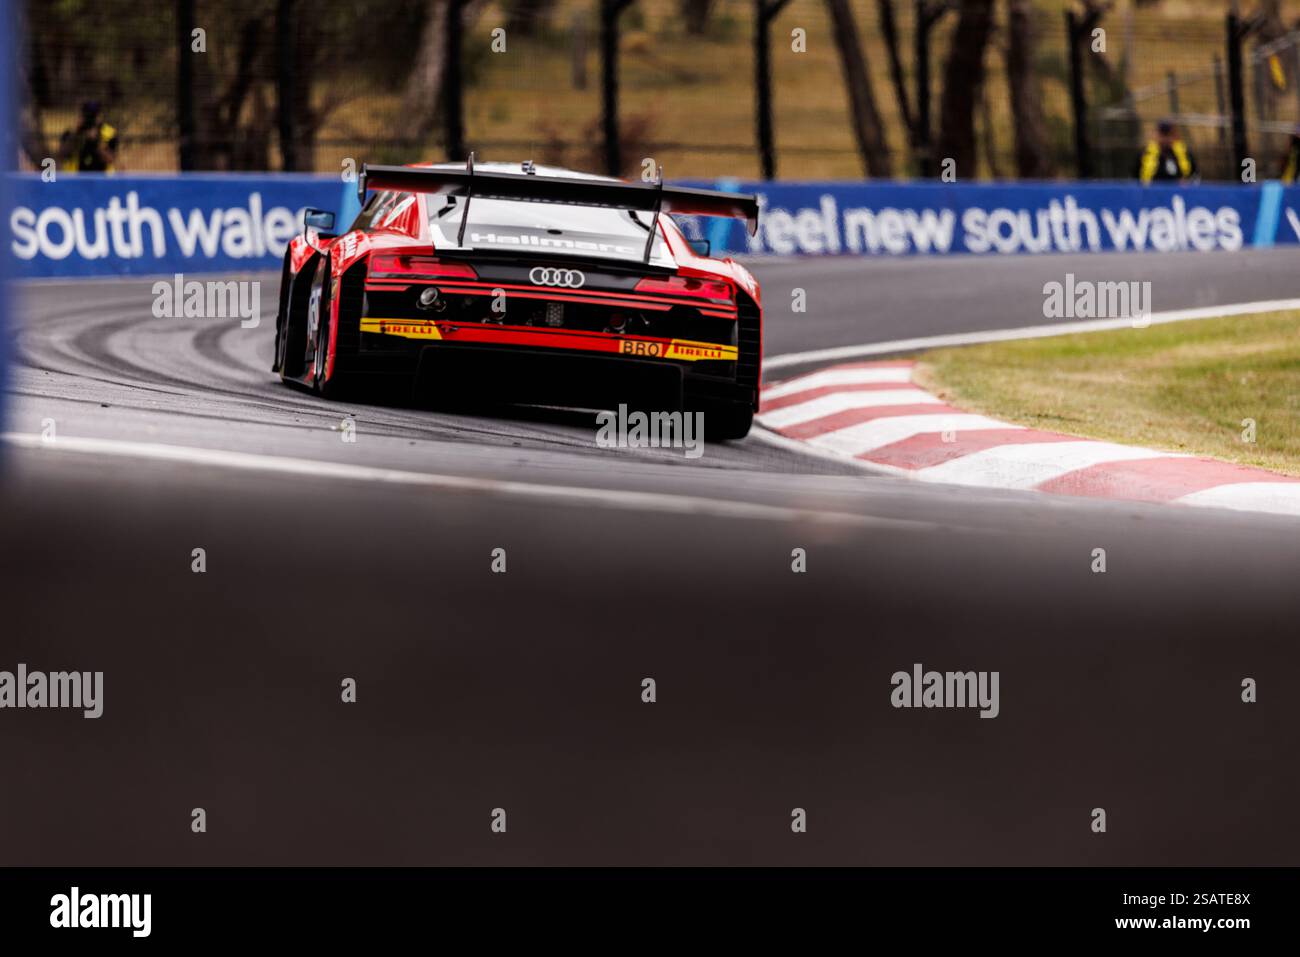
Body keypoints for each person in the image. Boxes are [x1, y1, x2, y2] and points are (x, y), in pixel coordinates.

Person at [56, 101, 119, 173]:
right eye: (87, 116)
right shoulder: (71, 133)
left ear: (99, 116)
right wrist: (76, 135)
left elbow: (110, 159)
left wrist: (97, 142)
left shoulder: (109, 133)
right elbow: (62, 155)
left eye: (93, 116)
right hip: (75, 177)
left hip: (102, 178)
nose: (90, 119)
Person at [1137, 119, 1196, 185]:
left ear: (1176, 136)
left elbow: (1194, 176)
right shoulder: (1145, 154)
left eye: (1169, 135)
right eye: (1162, 135)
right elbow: (1136, 179)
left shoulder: (1186, 154)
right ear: (1156, 135)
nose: (1166, 139)